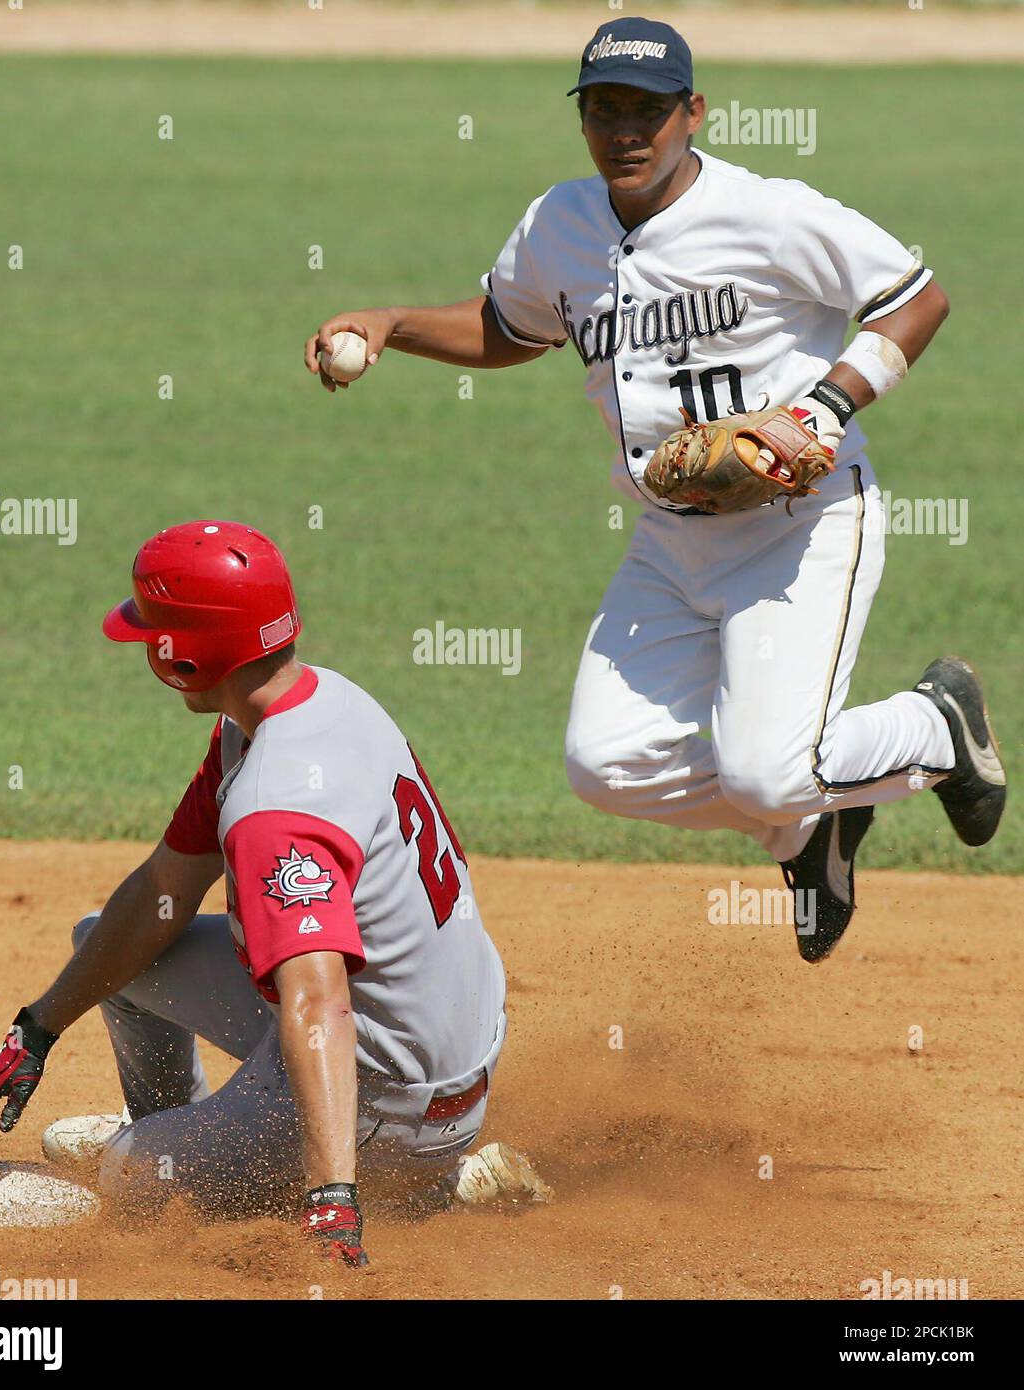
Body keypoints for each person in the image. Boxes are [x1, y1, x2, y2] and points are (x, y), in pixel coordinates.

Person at [304, 16, 1005, 963]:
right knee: (605, 767)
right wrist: (389, 322)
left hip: (801, 527)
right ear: (581, 118)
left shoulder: (766, 214)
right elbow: (512, 327)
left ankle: (933, 726)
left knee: (768, 770)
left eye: (647, 109)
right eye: (603, 109)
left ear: (692, 113)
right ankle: (809, 830)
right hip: (668, 541)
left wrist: (824, 409)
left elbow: (914, 297)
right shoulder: (559, 226)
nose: (625, 130)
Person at [0, 520, 549, 1268]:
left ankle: (421, 1184)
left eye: (153, 633)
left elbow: (321, 1004)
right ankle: (195, 1130)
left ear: (184, 656)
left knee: (135, 1176)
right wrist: (39, 1028)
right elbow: (163, 890)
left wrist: (331, 1200)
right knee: (108, 951)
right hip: (431, 1022)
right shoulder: (317, 704)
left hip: (390, 1094)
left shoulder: (270, 809)